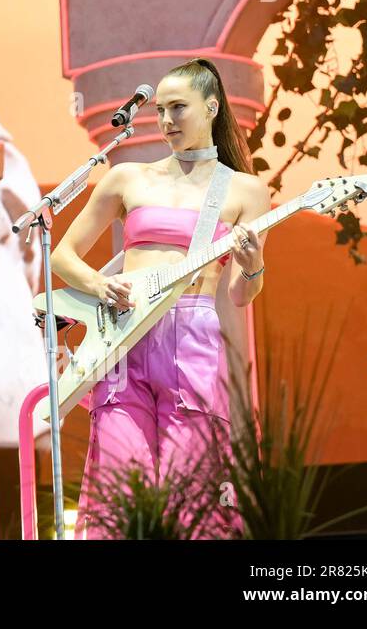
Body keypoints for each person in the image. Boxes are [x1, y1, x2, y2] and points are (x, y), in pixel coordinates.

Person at [49, 57, 271, 539]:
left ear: (211, 107)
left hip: (191, 336)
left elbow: (240, 294)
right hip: (124, 336)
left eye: (179, 108)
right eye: (161, 111)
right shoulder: (128, 177)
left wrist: (252, 264)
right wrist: (98, 284)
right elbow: (62, 256)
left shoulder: (246, 190)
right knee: (120, 483)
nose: (167, 121)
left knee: (188, 488)